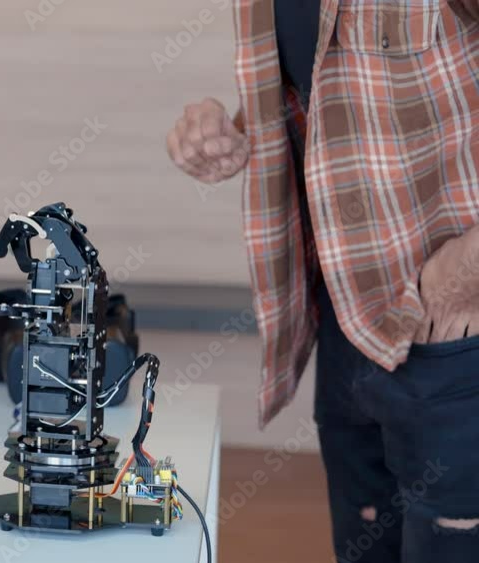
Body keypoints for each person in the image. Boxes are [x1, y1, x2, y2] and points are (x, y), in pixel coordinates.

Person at [167, 1, 479, 561]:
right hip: (351, 325)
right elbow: (349, 98)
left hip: (456, 332)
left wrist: (470, 265)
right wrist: (235, 129)